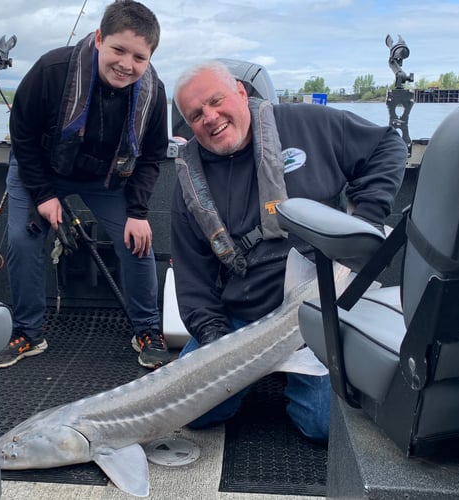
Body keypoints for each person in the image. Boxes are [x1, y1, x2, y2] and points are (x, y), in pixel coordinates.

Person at [170, 60, 406, 442]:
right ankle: (268, 369)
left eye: (216, 101)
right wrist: (218, 346)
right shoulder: (188, 184)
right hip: (244, 316)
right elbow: (193, 282)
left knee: (322, 426)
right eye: (196, 114)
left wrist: (366, 219)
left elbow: (387, 145)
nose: (210, 117)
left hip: (320, 304)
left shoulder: (307, 124)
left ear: (241, 93)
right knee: (191, 412)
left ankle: (296, 373)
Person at [0, 0, 172, 370]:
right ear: (99, 38)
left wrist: (138, 212)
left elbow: (152, 157)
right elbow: (22, 135)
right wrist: (43, 194)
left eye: (139, 57)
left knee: (137, 240)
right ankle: (28, 332)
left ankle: (147, 330)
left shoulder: (154, 94)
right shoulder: (52, 70)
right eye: (118, 50)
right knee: (22, 240)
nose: (126, 64)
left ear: (150, 58)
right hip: (40, 168)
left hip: (103, 178)